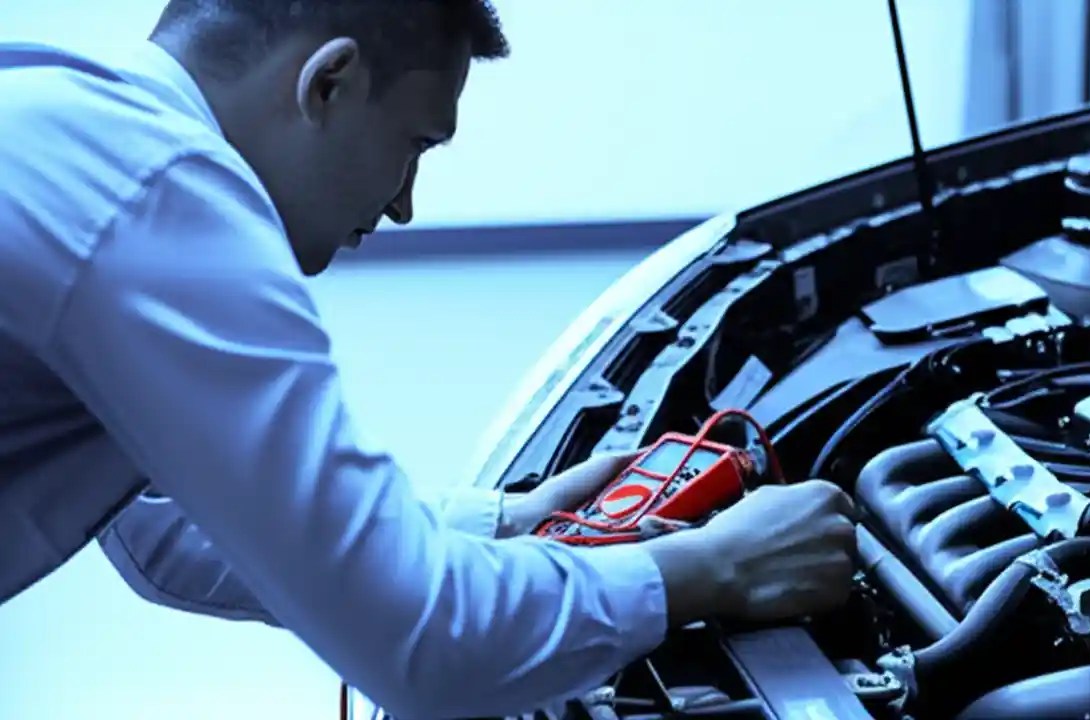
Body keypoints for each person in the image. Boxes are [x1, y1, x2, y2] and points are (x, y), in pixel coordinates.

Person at [0, 1, 862, 717]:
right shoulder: (156, 195)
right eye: (416, 144)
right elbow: (422, 648)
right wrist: (712, 571)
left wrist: (509, 521)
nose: (406, 206)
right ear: (328, 82)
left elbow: (163, 528)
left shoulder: (55, 119)